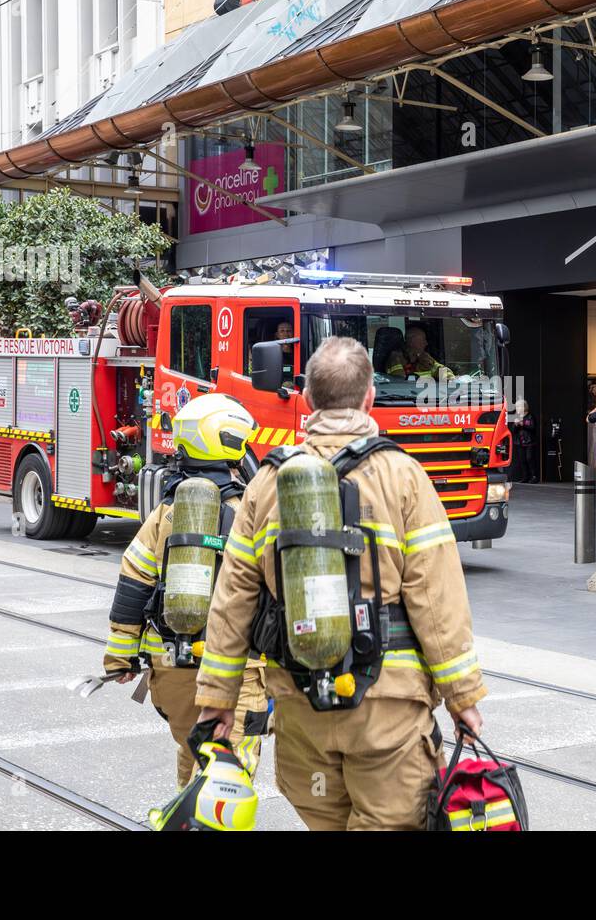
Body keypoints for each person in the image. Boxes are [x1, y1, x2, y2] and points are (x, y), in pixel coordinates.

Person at [195, 336, 485, 830]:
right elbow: (437, 602)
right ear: (370, 397)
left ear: (306, 399)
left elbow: (232, 599)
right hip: (387, 713)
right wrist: (463, 699)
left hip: (300, 708)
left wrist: (218, 699)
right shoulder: (404, 476)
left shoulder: (266, 483)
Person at [101, 393, 269, 791]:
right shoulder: (251, 510)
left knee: (194, 752)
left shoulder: (166, 513)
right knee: (225, 779)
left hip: (171, 668)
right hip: (234, 672)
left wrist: (119, 658)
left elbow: (133, 580)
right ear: (231, 443)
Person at [385, 324, 450, 380]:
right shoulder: (396, 358)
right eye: (423, 340)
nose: (426, 343)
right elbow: (399, 381)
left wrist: (450, 379)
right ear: (412, 342)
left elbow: (444, 372)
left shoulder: (425, 357)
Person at [514, 399, 539, 483]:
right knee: (522, 460)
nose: (517, 408)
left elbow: (533, 428)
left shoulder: (530, 416)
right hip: (520, 442)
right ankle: (525, 477)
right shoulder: (517, 417)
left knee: (530, 458)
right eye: (516, 406)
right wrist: (516, 425)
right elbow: (513, 431)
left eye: (519, 406)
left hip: (530, 442)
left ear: (524, 407)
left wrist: (523, 424)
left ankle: (534, 477)